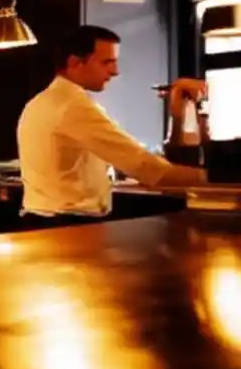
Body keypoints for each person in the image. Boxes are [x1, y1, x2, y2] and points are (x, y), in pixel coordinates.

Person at [16, 25, 207, 223]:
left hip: (46, 218)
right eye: (107, 62)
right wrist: (213, 178)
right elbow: (141, 165)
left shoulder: (43, 101)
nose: (115, 71)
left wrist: (178, 113)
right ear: (75, 63)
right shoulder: (72, 106)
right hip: (65, 222)